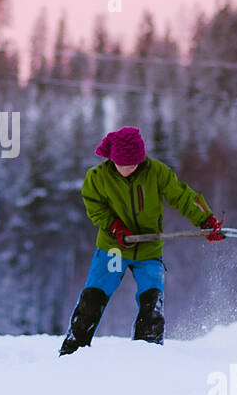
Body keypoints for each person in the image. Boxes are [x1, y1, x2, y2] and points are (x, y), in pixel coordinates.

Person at [59, 126, 223, 356]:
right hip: (113, 249)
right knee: (93, 299)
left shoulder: (156, 172)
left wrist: (206, 221)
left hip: (148, 250)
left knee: (152, 304)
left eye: (133, 163)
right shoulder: (97, 178)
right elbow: (94, 208)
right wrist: (115, 228)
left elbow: (182, 196)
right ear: (112, 159)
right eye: (123, 164)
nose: (128, 168)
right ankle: (72, 352)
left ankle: (148, 355)